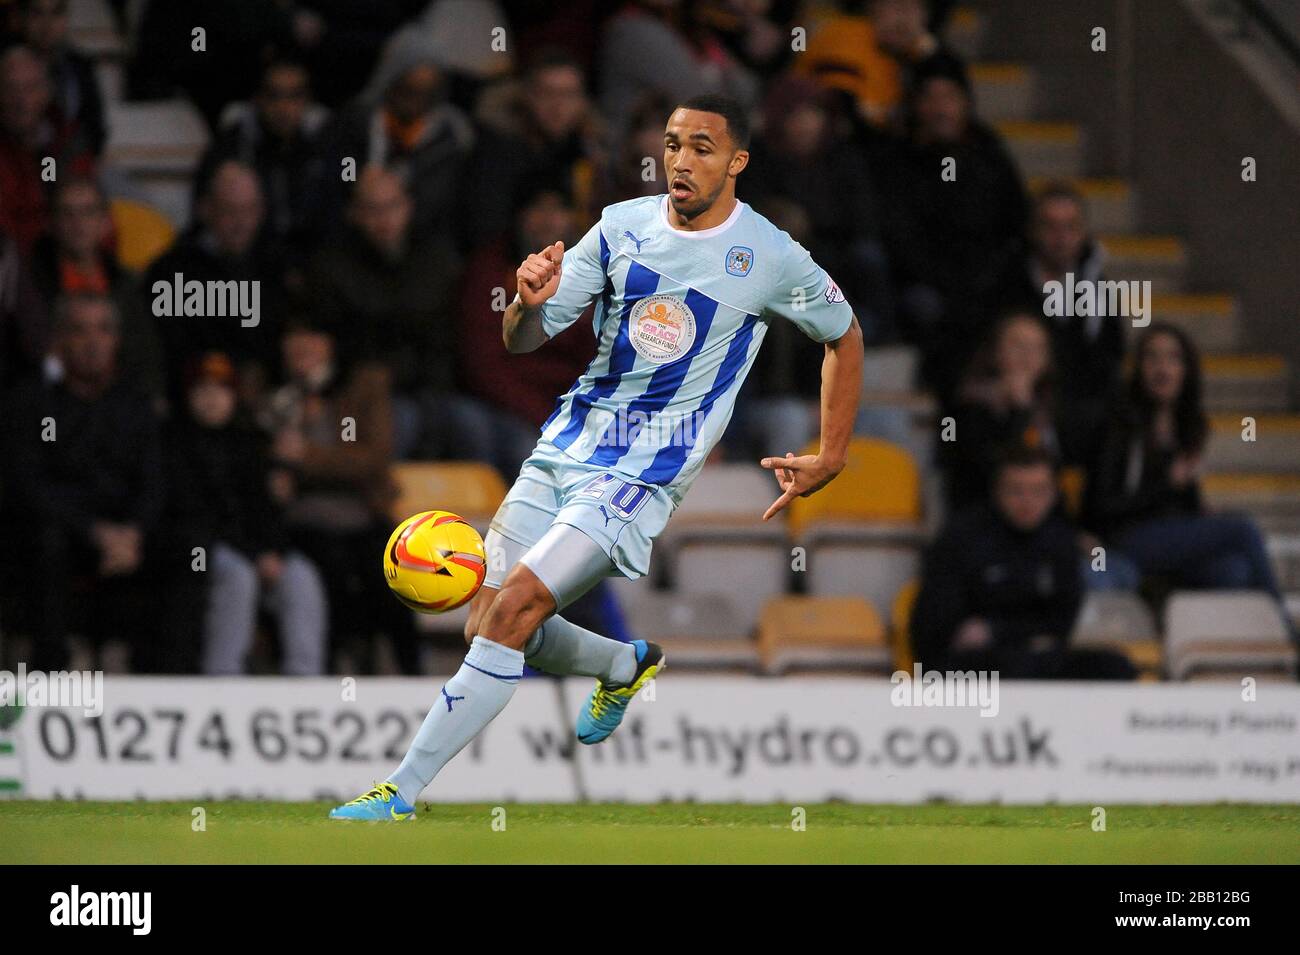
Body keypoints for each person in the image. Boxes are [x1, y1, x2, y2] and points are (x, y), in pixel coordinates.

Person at [330, 94, 864, 820]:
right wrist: (521, 303)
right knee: (484, 613)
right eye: (674, 143)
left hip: (644, 473)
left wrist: (831, 452)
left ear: (737, 160)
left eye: (703, 146)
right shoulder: (619, 227)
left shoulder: (769, 255)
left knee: (512, 607)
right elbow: (525, 338)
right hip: (566, 444)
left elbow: (845, 334)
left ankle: (399, 791)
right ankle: (622, 661)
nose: (681, 159)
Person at [1, 293, 163, 670]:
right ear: (59, 340)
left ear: (117, 340)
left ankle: (169, 684)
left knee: (190, 550)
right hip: (63, 530)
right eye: (80, 331)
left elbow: (154, 482)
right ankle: (50, 675)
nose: (93, 342)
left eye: (103, 331)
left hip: (125, 535)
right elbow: (28, 484)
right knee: (45, 540)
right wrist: (92, 530)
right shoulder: (33, 403)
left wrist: (133, 532)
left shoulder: (135, 404)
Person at [1083, 324, 1288, 616]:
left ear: (1186, 370)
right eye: (1152, 358)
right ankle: (1284, 629)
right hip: (1126, 538)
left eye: (1172, 358)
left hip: (1173, 539)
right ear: (1139, 368)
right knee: (1243, 528)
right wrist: (1167, 483)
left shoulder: (1188, 426)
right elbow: (1101, 509)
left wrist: (1201, 511)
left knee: (1233, 572)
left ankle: (1222, 654)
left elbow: (1181, 503)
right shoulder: (1119, 424)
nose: (1161, 368)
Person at [161, 351, 328, 675]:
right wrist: (255, 554)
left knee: (301, 576)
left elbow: (263, 510)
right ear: (188, 395)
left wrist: (272, 551)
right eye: (202, 389)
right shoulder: (173, 443)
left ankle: (306, 686)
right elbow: (193, 514)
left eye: (220, 389)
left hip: (254, 551)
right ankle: (224, 679)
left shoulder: (250, 442)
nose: (211, 398)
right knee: (238, 575)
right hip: (197, 550)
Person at [911, 446, 1133, 679]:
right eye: (1016, 491)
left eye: (1038, 491)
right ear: (997, 491)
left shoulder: (1061, 540)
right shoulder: (962, 538)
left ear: (1054, 494)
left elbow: (1061, 622)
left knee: (1114, 666)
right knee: (1015, 665)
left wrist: (997, 630)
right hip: (974, 664)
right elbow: (936, 626)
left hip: (1034, 655)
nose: (1028, 501)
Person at [943, 311, 1061, 509]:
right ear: (996, 351)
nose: (1027, 356)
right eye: (1018, 345)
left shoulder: (1055, 405)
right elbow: (981, 471)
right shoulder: (965, 406)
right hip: (983, 512)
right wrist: (1019, 411)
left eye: (1037, 348)